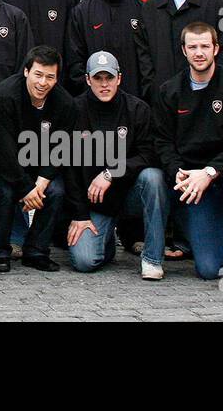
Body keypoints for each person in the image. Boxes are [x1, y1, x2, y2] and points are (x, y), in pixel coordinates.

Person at [150, 23, 223, 295]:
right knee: (209, 268)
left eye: (205, 46)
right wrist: (177, 170)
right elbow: (162, 141)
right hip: (196, 180)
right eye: (192, 47)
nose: (199, 52)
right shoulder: (170, 90)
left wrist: (211, 171)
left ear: (216, 49)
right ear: (184, 51)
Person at [64, 51, 167, 279]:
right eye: (98, 78)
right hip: (96, 202)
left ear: (119, 78)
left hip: (131, 195)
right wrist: (80, 214)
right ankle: (106, 239)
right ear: (88, 79)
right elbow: (68, 168)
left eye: (109, 78)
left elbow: (151, 154)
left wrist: (112, 172)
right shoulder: (73, 110)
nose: (104, 84)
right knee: (84, 260)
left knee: (154, 177)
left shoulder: (138, 109)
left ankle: (152, 259)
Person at [0, 46, 76, 272]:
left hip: (41, 161)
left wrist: (42, 182)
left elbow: (60, 149)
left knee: (55, 191)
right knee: (6, 192)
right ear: (26, 71)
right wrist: (26, 188)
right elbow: (3, 149)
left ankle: (36, 250)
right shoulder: (4, 95)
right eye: (38, 74)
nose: (43, 82)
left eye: (49, 77)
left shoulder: (65, 104)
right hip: (5, 160)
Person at [66, 0, 145, 95]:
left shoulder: (140, 9)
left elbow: (147, 61)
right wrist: (90, 94)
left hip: (133, 102)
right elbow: (75, 61)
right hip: (94, 104)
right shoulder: (82, 11)